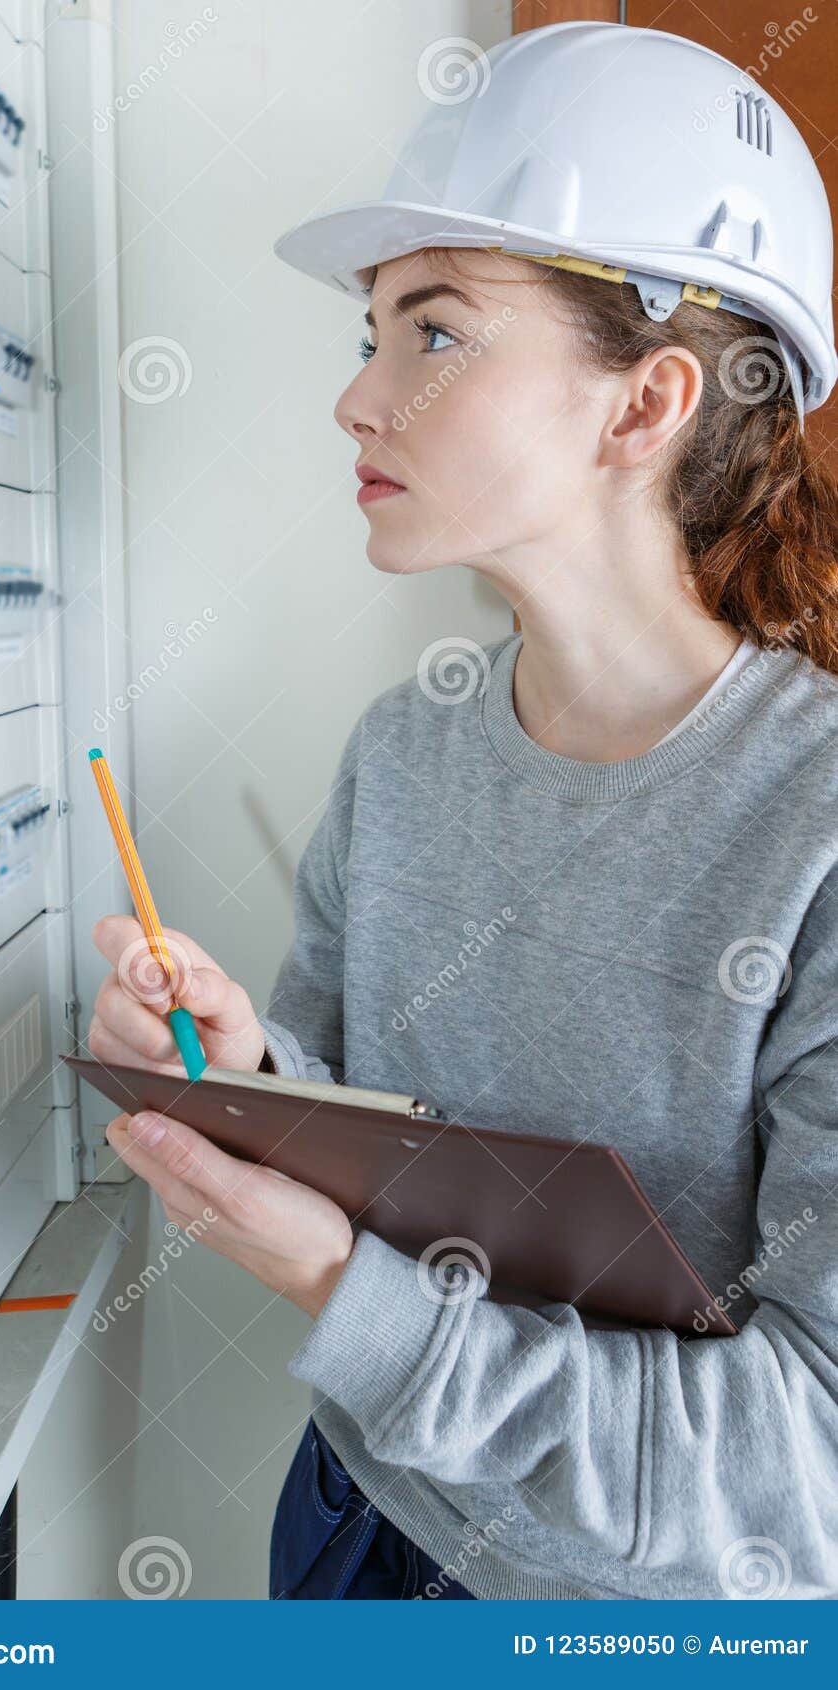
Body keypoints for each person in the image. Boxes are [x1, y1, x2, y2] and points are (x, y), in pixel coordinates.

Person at [88, 22, 838, 1600]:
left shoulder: (816, 822)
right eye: (365, 336)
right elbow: (364, 1129)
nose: (356, 399)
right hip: (357, 1520)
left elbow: (804, 1467)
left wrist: (344, 1293)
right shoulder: (406, 752)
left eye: (431, 333)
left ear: (643, 407)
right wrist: (244, 1065)